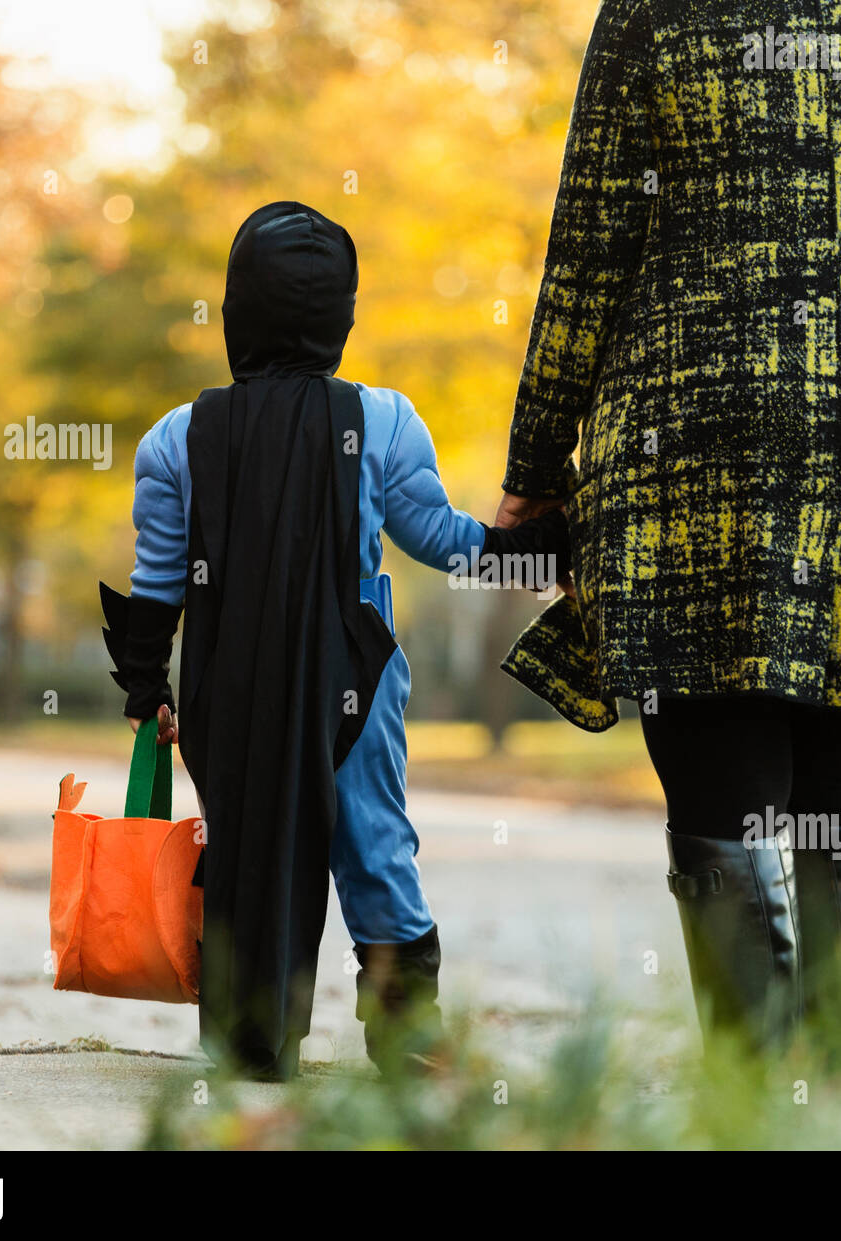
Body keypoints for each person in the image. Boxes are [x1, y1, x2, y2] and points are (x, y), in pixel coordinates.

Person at [495, 1, 841, 1057]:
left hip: (699, 433)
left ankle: (762, 1108)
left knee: (723, 779)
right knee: (834, 791)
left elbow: (588, 253)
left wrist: (534, 475)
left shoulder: (656, 12)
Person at [102, 201, 569, 1079]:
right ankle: (408, 1037)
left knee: (242, 842)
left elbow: (157, 584)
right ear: (340, 317)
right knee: (373, 840)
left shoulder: (176, 438)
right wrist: (538, 553)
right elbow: (442, 540)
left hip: (224, 689)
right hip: (349, 680)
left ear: (238, 307)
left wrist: (146, 689)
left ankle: (251, 1037)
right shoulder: (385, 421)